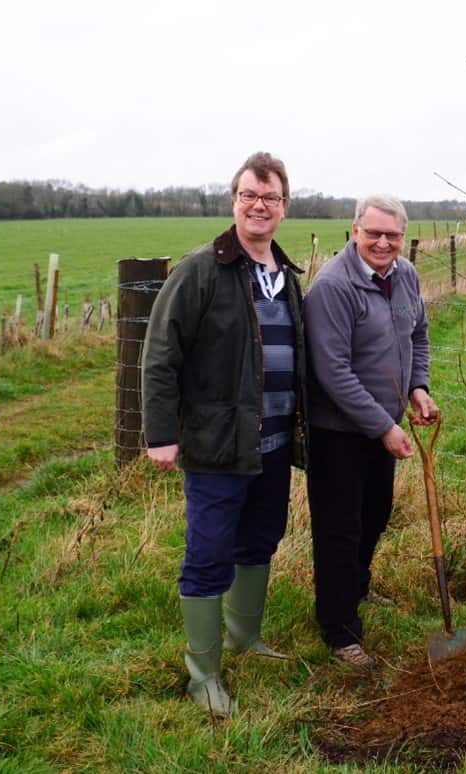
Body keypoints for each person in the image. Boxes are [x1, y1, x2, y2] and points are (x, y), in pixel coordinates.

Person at [142, 151, 307, 717]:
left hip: (275, 442)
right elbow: (161, 355)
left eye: (270, 198)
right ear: (234, 202)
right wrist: (161, 434)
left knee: (261, 538)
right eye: (249, 196)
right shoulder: (200, 271)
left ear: (284, 207)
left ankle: (245, 638)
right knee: (209, 552)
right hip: (216, 444)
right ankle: (203, 675)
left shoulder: (286, 276)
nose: (259, 206)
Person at [303, 194, 439, 668]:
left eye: (393, 235)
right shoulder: (333, 287)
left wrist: (417, 388)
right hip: (338, 431)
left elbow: (417, 335)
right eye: (374, 233)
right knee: (339, 527)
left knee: (375, 514)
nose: (384, 243)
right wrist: (384, 426)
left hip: (384, 424)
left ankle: (356, 588)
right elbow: (333, 371)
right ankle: (339, 628)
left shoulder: (405, 276)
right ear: (355, 230)